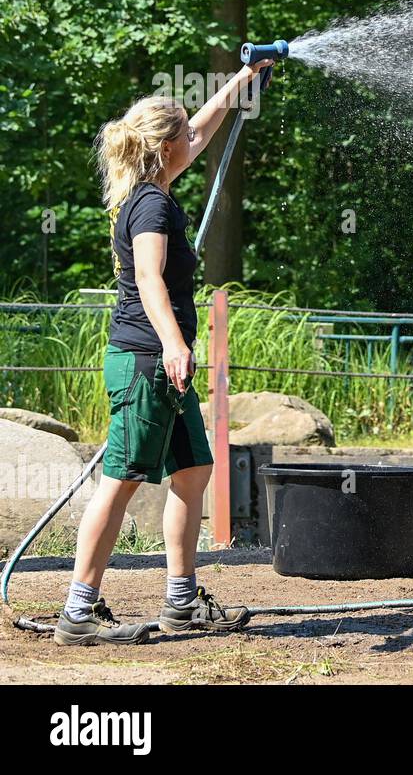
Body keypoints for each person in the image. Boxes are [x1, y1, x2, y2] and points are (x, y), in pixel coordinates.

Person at [54, 60, 271, 646]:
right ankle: (78, 610)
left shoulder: (155, 190)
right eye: (185, 137)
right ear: (167, 149)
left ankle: (180, 601)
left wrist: (242, 81)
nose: (195, 141)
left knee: (194, 470)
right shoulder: (150, 206)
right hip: (148, 361)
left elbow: (201, 127)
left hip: (160, 363)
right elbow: (149, 279)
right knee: (120, 481)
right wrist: (175, 345)